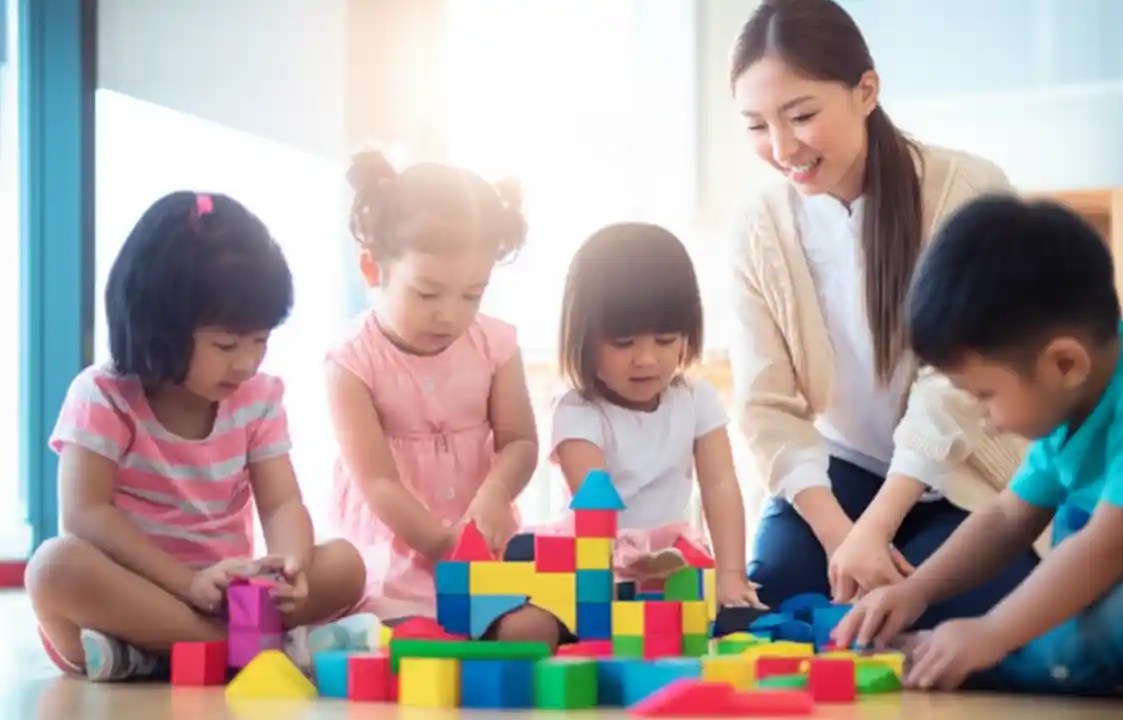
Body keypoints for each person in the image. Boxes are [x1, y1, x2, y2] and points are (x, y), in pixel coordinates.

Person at [834, 197, 1123, 698]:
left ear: (1064, 364)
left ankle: (1018, 664)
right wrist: (917, 590)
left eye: (985, 397)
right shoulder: (1079, 398)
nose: (987, 420)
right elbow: (1008, 517)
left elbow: (1111, 546)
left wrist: (993, 634)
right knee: (1072, 537)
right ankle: (1036, 652)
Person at [727, 0, 1039, 611]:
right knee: (767, 602)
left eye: (801, 115)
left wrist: (877, 528)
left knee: (937, 602)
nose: (783, 146)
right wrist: (841, 535)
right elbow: (765, 404)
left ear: (866, 91)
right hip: (842, 471)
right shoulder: (758, 224)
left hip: (959, 471)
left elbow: (958, 381)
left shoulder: (966, 189)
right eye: (758, 126)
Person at [24, 192, 367, 682]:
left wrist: (293, 567)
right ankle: (246, 649)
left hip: (231, 596)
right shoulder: (104, 395)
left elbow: (280, 503)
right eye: (226, 344)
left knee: (346, 563)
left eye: (260, 341)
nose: (247, 362)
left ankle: (167, 653)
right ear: (158, 327)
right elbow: (84, 514)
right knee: (54, 567)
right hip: (143, 589)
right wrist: (187, 583)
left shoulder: (258, 397)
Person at [326, 151, 561, 643]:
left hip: (481, 557)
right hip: (396, 553)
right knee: (405, 635)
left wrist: (495, 494)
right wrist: (440, 544)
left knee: (536, 629)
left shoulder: (495, 345)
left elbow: (520, 442)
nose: (449, 316)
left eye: (471, 295)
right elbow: (377, 482)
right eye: (427, 294)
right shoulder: (352, 361)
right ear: (373, 268)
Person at [545, 223, 762, 606]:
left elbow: (721, 485)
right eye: (623, 343)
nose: (646, 360)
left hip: (673, 557)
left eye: (665, 341)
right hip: (599, 560)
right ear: (584, 340)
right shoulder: (578, 411)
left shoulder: (695, 398)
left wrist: (731, 576)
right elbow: (596, 504)